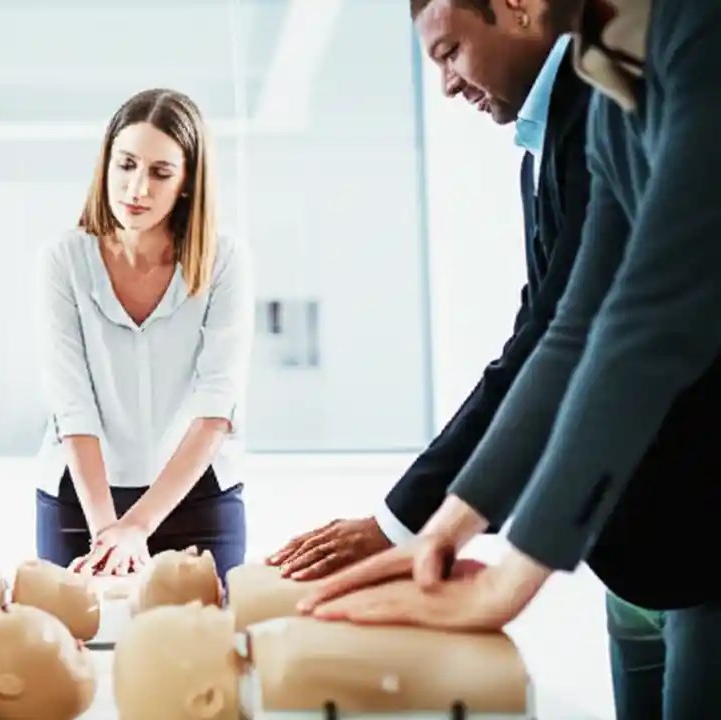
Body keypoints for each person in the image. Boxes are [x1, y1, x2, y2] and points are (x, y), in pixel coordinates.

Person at [296, 1, 721, 716]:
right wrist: (445, 528)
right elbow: (571, 327)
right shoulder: (614, 93)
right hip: (654, 551)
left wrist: (512, 575)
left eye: (448, 53)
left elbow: (651, 319)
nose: (447, 83)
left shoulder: (697, 31)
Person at [268, 0, 592, 582]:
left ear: (516, 8)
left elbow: (558, 346)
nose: (446, 86)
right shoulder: (538, 152)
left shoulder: (600, 117)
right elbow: (533, 340)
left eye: (451, 52)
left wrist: (402, 524)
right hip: (625, 532)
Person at [34, 88, 254, 582]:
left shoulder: (224, 260)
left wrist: (138, 527)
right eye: (126, 164)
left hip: (199, 495)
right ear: (106, 164)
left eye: (160, 173)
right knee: (75, 644)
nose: (136, 188)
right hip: (82, 501)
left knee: (202, 646)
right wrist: (108, 533)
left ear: (187, 184)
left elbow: (216, 407)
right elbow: (74, 409)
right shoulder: (64, 260)